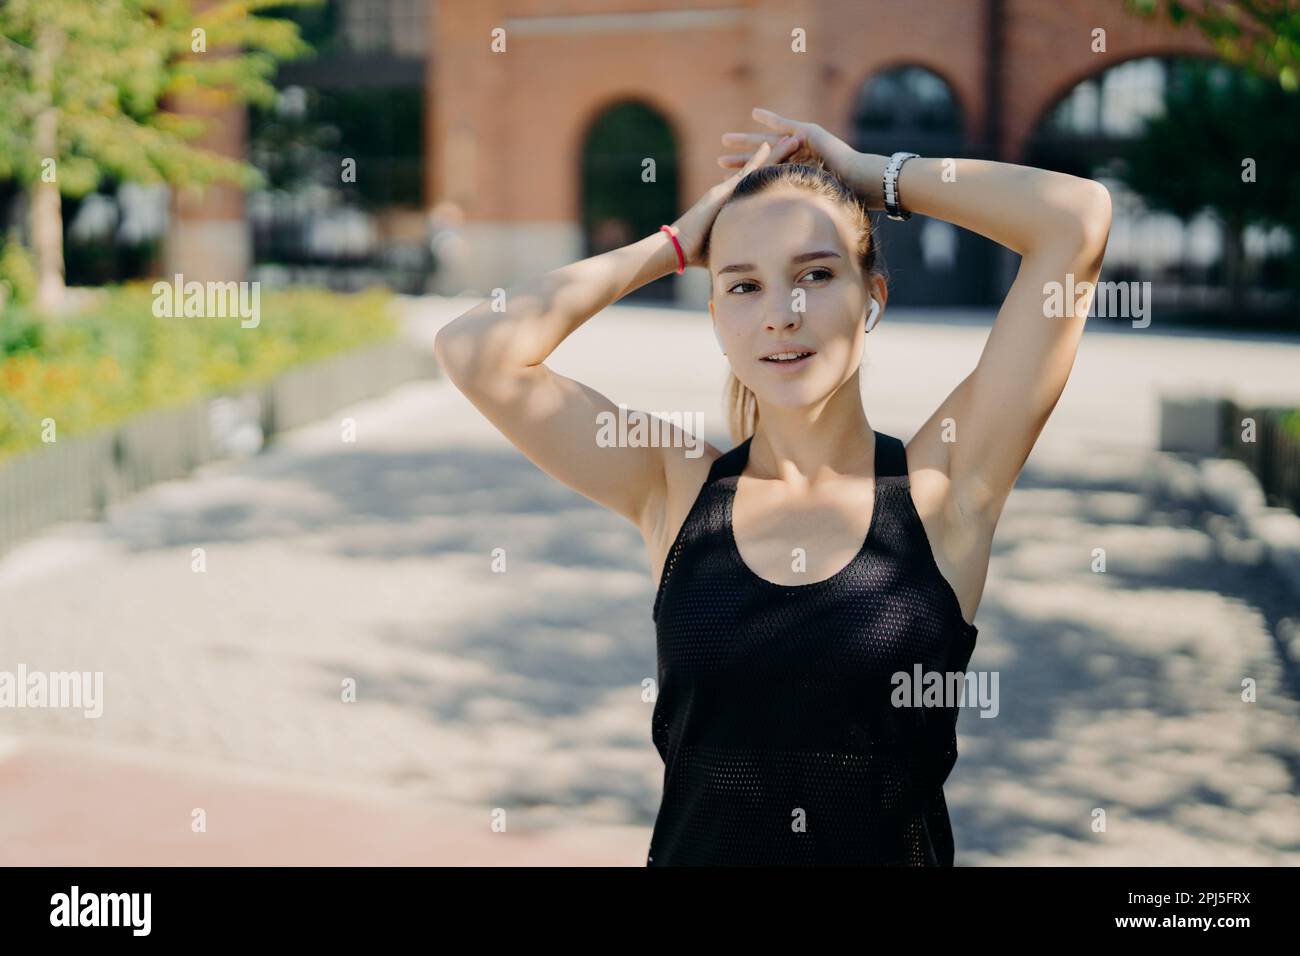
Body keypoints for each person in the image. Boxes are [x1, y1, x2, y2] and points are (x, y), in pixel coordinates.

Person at [434, 106, 1111, 865]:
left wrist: (868, 175)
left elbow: (1077, 220)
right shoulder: (676, 487)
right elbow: (476, 350)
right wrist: (675, 243)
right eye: (744, 286)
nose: (781, 316)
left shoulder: (940, 489)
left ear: (873, 296)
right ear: (716, 316)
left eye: (816, 275)